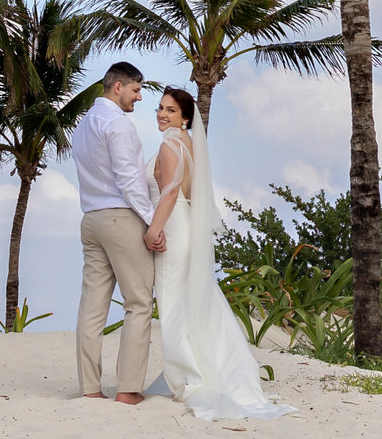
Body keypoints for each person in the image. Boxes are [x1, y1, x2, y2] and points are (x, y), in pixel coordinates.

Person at [145, 86, 296, 421]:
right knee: (195, 301)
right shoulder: (191, 145)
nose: (161, 114)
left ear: (185, 118)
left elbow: (169, 193)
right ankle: (212, 369)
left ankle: (189, 377)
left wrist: (154, 229)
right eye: (160, 108)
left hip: (172, 227)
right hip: (185, 226)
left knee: (173, 306)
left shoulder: (170, 144)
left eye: (170, 110)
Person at [70, 61, 165, 405]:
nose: (139, 98)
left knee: (92, 307)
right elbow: (129, 180)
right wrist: (153, 223)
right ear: (118, 87)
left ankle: (90, 389)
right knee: (138, 303)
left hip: (91, 220)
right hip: (120, 219)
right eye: (136, 90)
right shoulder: (117, 124)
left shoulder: (82, 126)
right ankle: (128, 390)